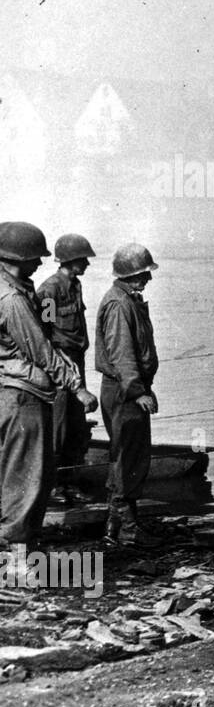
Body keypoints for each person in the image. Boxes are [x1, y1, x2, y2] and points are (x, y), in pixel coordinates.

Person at [0, 222, 98, 552]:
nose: (40, 262)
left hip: (60, 365)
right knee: (41, 453)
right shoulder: (42, 292)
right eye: (82, 260)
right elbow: (42, 339)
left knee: (72, 431)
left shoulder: (51, 288)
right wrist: (75, 385)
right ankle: (17, 553)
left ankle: (62, 488)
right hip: (44, 375)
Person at [96, 243, 161, 549]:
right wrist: (138, 392)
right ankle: (129, 530)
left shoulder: (126, 300)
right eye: (144, 273)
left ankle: (115, 527)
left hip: (126, 388)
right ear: (131, 275)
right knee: (129, 458)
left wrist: (143, 387)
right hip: (125, 392)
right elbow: (122, 354)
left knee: (125, 456)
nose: (148, 279)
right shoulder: (120, 304)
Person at [37, 234, 96, 504]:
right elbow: (44, 334)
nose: (87, 264)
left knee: (76, 426)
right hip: (60, 366)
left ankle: (69, 483)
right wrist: (61, 365)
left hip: (76, 362)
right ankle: (52, 487)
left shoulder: (76, 286)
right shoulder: (50, 290)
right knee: (58, 429)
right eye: (83, 259)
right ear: (70, 260)